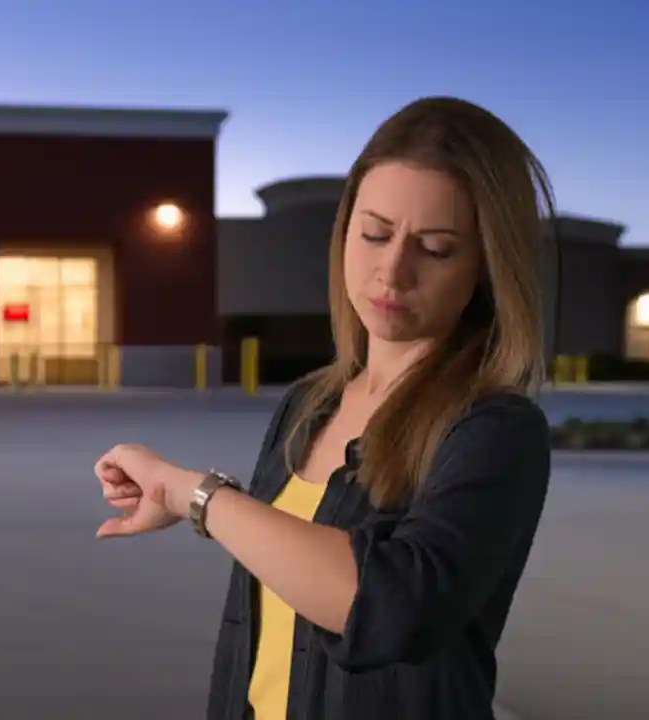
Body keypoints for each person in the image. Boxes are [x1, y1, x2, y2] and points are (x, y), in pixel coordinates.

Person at [93, 95, 554, 719]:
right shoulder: (310, 403)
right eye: (375, 233)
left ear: (486, 269)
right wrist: (199, 501)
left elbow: (394, 608)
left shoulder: (494, 429)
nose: (392, 270)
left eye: (436, 248)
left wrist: (194, 494)